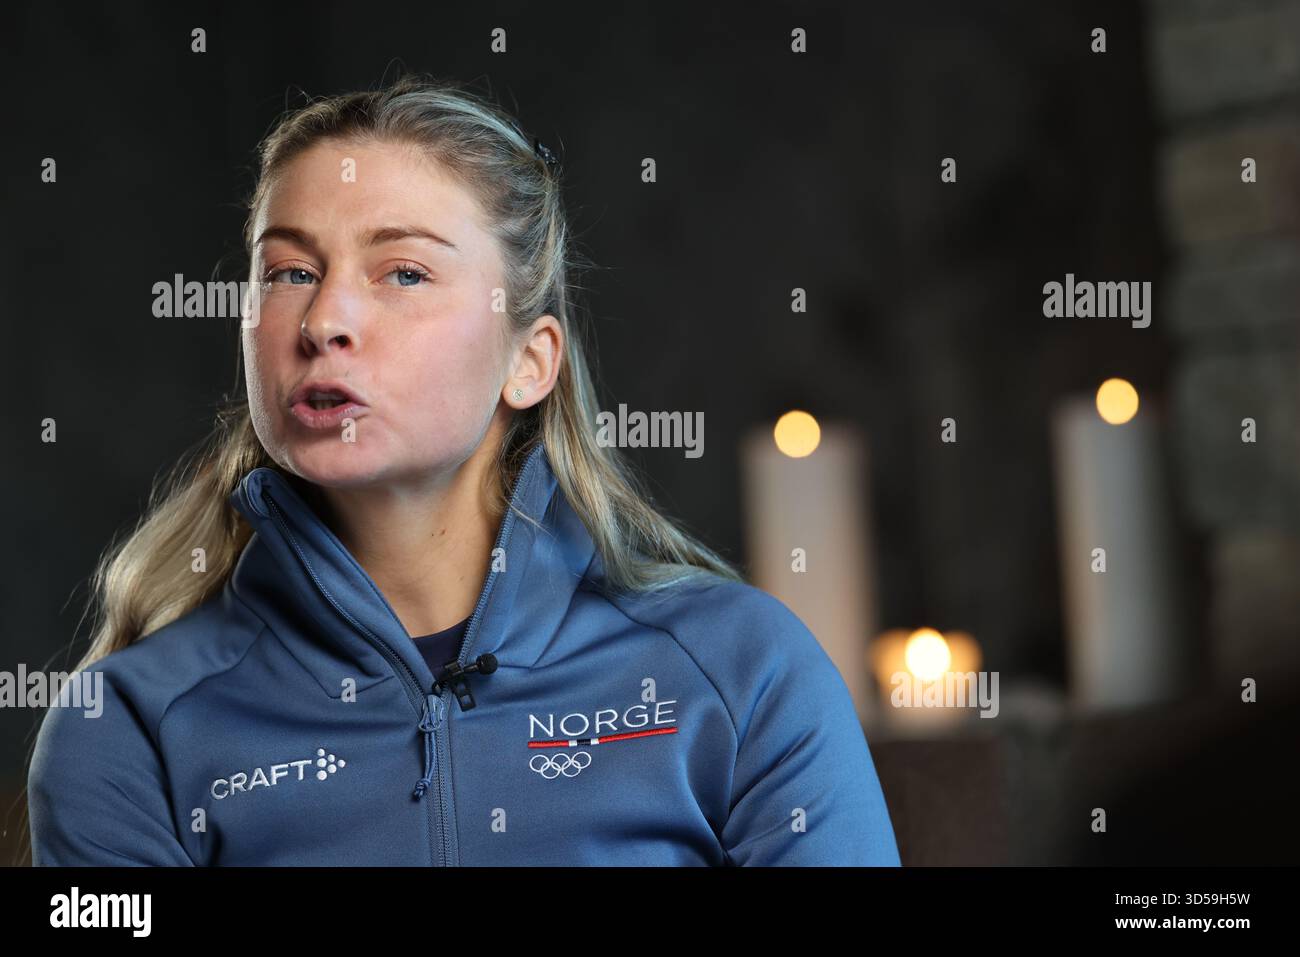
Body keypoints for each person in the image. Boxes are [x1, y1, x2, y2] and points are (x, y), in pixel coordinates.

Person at [24, 75, 900, 866]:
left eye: (403, 271)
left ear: (530, 358)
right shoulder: (126, 729)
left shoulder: (744, 671)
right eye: (290, 270)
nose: (325, 318)